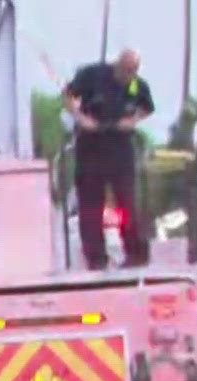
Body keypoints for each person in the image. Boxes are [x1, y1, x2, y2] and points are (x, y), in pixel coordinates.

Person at [63, 48, 156, 270]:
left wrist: (132, 120)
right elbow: (68, 95)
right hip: (91, 144)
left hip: (119, 145)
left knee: (126, 203)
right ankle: (96, 258)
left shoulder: (135, 85)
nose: (128, 75)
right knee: (91, 205)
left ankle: (135, 254)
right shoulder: (92, 75)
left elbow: (147, 108)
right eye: (126, 70)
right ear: (118, 65)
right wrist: (80, 117)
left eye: (133, 71)